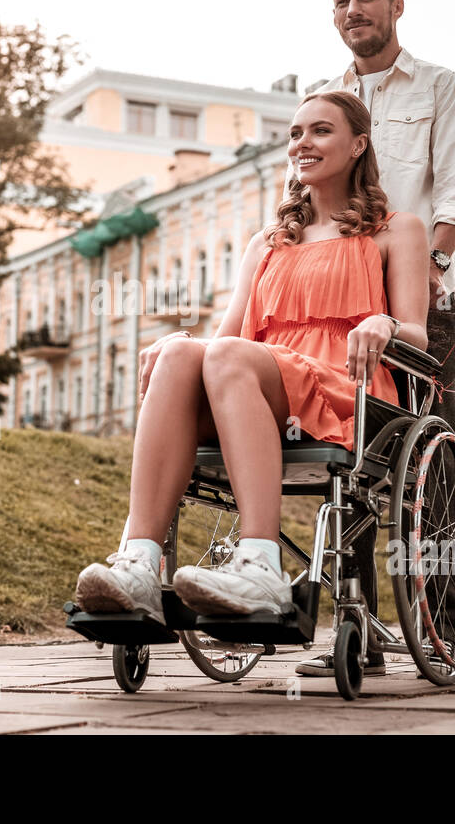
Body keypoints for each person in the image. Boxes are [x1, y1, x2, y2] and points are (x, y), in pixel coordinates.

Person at [74, 90, 429, 626]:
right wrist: (176, 344)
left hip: (346, 388)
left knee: (227, 358)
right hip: (258, 385)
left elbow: (418, 335)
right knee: (179, 356)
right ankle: (140, 564)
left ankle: (261, 565)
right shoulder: (266, 242)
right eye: (294, 134)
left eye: (319, 131)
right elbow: (224, 338)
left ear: (359, 145)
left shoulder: (398, 230)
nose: (302, 143)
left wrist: (386, 322)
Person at [293, 0, 455, 679]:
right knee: (345, 455)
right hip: (339, 297)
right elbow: (302, 197)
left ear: (397, 6)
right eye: (342, 1)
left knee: (431, 472)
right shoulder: (323, 99)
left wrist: (432, 268)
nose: (353, 11)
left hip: (417, 302)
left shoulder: (439, 87)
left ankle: (445, 621)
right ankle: (357, 625)